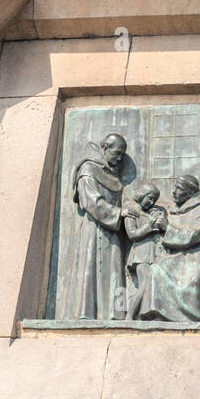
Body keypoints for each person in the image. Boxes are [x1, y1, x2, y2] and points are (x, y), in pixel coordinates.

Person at [61, 131, 128, 321]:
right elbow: (91, 201)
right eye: (117, 153)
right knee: (91, 271)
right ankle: (87, 313)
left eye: (123, 154)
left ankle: (118, 313)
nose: (120, 157)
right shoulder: (88, 170)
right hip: (94, 228)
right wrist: (118, 213)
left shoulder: (114, 174)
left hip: (113, 230)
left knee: (116, 270)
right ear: (105, 149)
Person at [139, 174, 200, 322]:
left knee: (194, 277)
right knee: (156, 269)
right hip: (181, 256)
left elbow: (194, 236)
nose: (173, 192)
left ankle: (192, 316)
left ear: (190, 193)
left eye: (178, 189)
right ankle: (157, 313)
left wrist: (167, 228)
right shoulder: (180, 209)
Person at [122, 182, 167, 321]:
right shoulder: (131, 211)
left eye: (154, 199)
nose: (152, 202)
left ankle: (148, 313)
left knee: (153, 284)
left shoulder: (151, 213)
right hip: (142, 254)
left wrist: (161, 222)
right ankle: (129, 316)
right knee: (145, 285)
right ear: (142, 195)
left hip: (155, 253)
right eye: (150, 198)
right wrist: (149, 225)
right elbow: (132, 234)